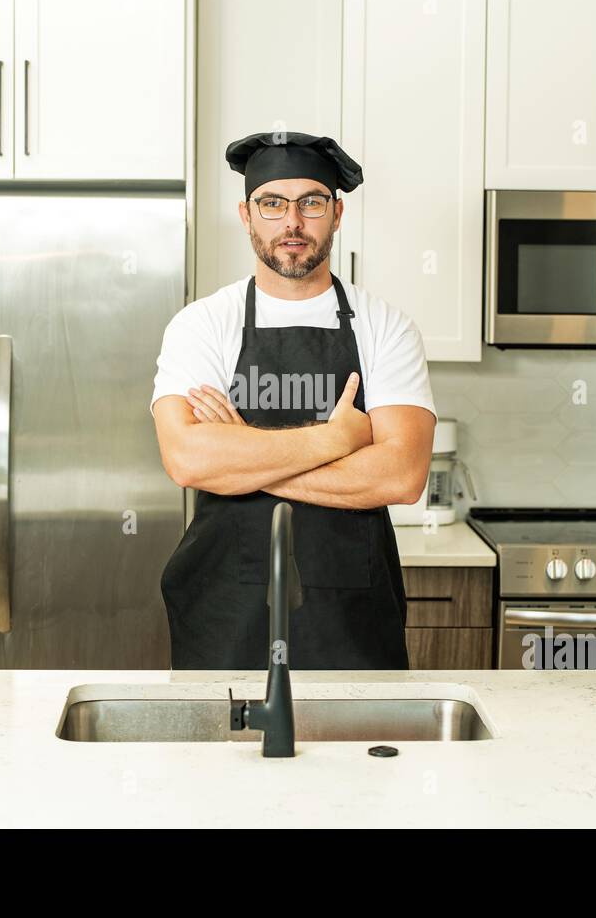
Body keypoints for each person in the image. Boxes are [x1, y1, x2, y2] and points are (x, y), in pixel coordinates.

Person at [150, 130, 436, 669]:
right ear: (246, 214)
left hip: (351, 617)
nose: (292, 223)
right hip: (225, 610)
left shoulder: (386, 327)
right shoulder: (204, 324)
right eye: (273, 203)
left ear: (337, 212)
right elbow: (188, 460)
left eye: (311, 202)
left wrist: (242, 453)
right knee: (223, 754)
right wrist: (336, 440)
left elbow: (400, 476)